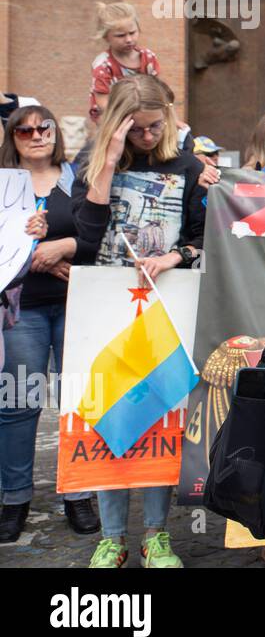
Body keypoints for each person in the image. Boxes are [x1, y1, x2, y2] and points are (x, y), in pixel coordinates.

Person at [71, 75, 206, 568]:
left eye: (155, 127)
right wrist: (106, 165)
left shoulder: (188, 166)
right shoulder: (95, 162)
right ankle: (112, 536)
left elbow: (201, 237)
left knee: (156, 419)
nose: (147, 138)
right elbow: (85, 239)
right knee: (108, 421)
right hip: (103, 306)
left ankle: (156, 534)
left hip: (163, 306)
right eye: (136, 131)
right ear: (118, 126)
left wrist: (175, 257)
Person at [0, 109, 100, 542]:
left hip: (77, 304)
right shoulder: (3, 183)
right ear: (12, 137)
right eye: (25, 129)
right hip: (23, 309)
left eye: (45, 128)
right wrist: (30, 252)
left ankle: (77, 494)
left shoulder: (77, 177)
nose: (36, 135)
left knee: (77, 404)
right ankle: (14, 498)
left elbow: (97, 231)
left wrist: (65, 249)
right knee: (17, 404)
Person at [87, 2, 161, 124]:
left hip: (142, 111)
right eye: (120, 36)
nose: (128, 40)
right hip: (111, 114)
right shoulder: (102, 65)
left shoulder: (148, 58)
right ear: (106, 37)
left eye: (132, 33)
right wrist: (129, 117)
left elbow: (158, 91)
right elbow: (102, 103)